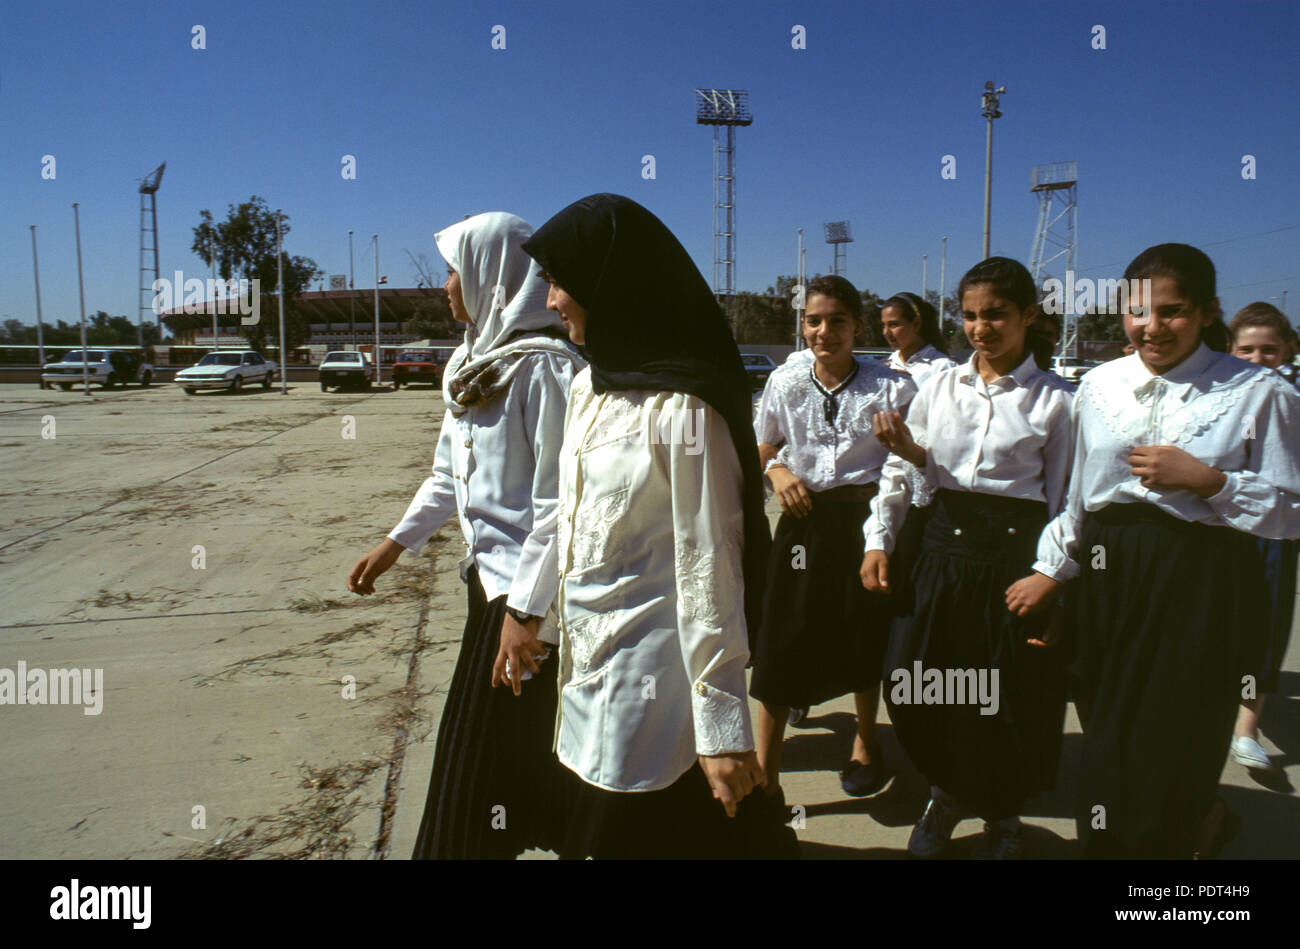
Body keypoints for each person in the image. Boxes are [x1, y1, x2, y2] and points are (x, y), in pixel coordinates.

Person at [521, 193, 795, 858]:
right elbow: (566, 517)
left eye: (560, 281)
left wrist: (723, 725)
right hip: (584, 672)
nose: (551, 301)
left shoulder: (682, 410)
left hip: (653, 682)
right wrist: (536, 618)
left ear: (611, 283)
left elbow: (710, 562)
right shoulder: (588, 388)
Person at [1020, 245, 1300, 858]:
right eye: (1138, 311)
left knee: (1173, 739)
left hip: (1201, 580)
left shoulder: (1258, 392)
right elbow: (1079, 496)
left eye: (1172, 311)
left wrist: (1211, 482)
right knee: (1107, 734)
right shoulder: (1100, 385)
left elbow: (1290, 510)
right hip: (1109, 575)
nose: (1152, 327)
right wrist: (1056, 571)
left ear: (1207, 311)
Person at [346, 211, 583, 859]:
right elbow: (446, 477)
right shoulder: (474, 362)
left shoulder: (545, 369)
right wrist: (395, 544)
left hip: (528, 600)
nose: (446, 285)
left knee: (479, 756)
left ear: (490, 273)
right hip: (489, 593)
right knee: (510, 750)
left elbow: (559, 505)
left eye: (454, 270)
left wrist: (526, 614)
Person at [862, 257, 1074, 859]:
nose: (981, 328)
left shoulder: (1058, 401)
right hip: (941, 552)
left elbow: (1067, 500)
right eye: (971, 316)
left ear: (1028, 316)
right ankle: (947, 791)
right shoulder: (939, 387)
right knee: (914, 681)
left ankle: (1001, 812)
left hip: (1013, 562)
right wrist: (878, 540)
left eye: (996, 315)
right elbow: (903, 469)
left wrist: (1053, 576)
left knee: (1004, 697)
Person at [751, 275, 917, 807]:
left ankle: (866, 741)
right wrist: (777, 470)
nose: (825, 332)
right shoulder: (785, 381)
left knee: (862, 633)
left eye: (837, 321)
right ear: (802, 326)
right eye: (814, 321)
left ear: (857, 326)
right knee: (781, 641)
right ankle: (766, 775)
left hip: (864, 524)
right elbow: (762, 444)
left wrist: (880, 536)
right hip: (802, 523)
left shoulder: (890, 386)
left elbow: (905, 464)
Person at [1227, 302, 1300, 772]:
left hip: (1274, 531)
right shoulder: (1217, 398)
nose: (1258, 359)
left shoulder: (1290, 399)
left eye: (1269, 350)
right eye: (1247, 349)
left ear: (1287, 350)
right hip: (1220, 526)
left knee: (1265, 627)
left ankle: (1246, 728)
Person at [880, 292, 958, 386]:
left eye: (893, 325)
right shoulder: (885, 365)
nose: (886, 332)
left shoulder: (943, 368)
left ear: (916, 324)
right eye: (884, 325)